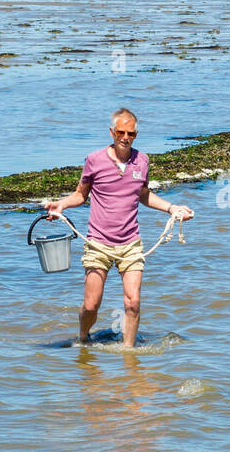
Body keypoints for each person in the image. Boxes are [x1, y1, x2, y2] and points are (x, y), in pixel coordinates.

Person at [43, 108, 193, 347]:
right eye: (121, 132)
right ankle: (83, 338)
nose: (125, 137)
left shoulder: (142, 160)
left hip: (131, 243)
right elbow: (81, 195)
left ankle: (129, 355)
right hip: (97, 243)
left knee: (133, 302)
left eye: (131, 133)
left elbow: (143, 195)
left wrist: (172, 208)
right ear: (111, 132)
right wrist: (60, 205)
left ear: (136, 134)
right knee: (91, 305)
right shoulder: (94, 160)